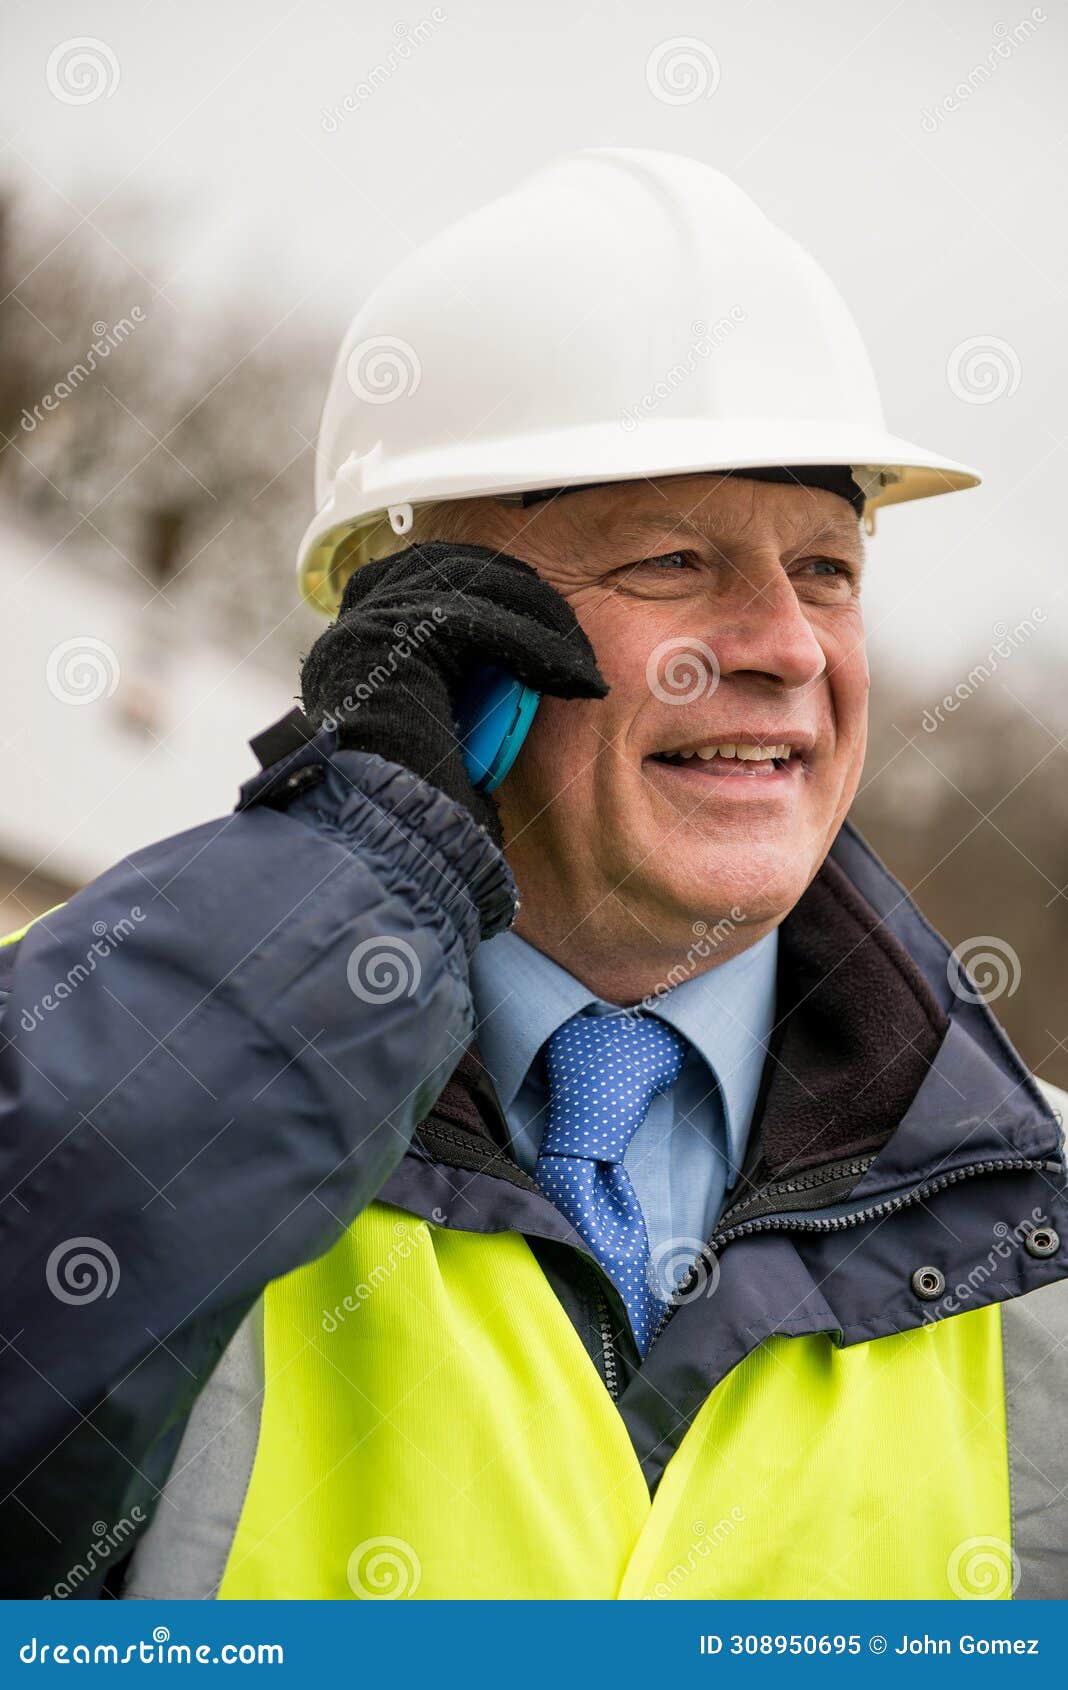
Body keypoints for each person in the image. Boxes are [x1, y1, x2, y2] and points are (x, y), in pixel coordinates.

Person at [1, 149, 1065, 1602]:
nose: (787, 646)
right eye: (674, 560)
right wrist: (336, 900)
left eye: (827, 570)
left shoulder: (1036, 1214)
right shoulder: (127, 1080)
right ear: (440, 639)